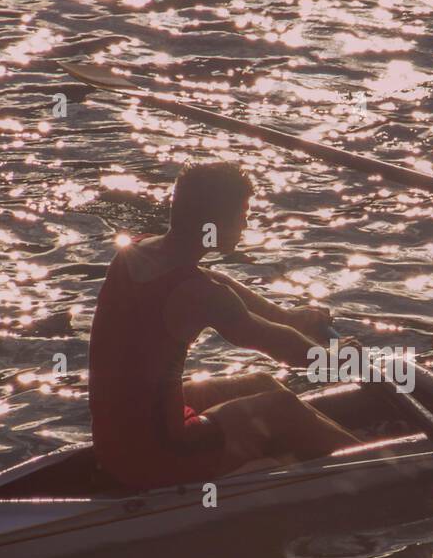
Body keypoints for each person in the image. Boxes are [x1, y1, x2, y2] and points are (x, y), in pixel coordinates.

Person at [89, 161, 356, 490]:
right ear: (215, 222)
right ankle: (377, 465)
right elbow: (279, 346)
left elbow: (220, 284)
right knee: (284, 407)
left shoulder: (138, 251)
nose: (246, 223)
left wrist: (291, 319)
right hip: (159, 458)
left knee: (261, 382)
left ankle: (336, 449)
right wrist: (334, 360)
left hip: (114, 442)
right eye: (242, 214)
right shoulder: (199, 293)